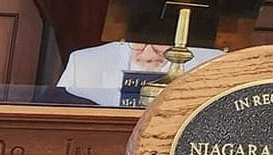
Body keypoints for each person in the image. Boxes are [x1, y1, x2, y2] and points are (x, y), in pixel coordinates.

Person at [58, 40, 223, 106]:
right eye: (140, 45)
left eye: (160, 46)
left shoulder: (214, 64)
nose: (149, 55)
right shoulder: (84, 62)